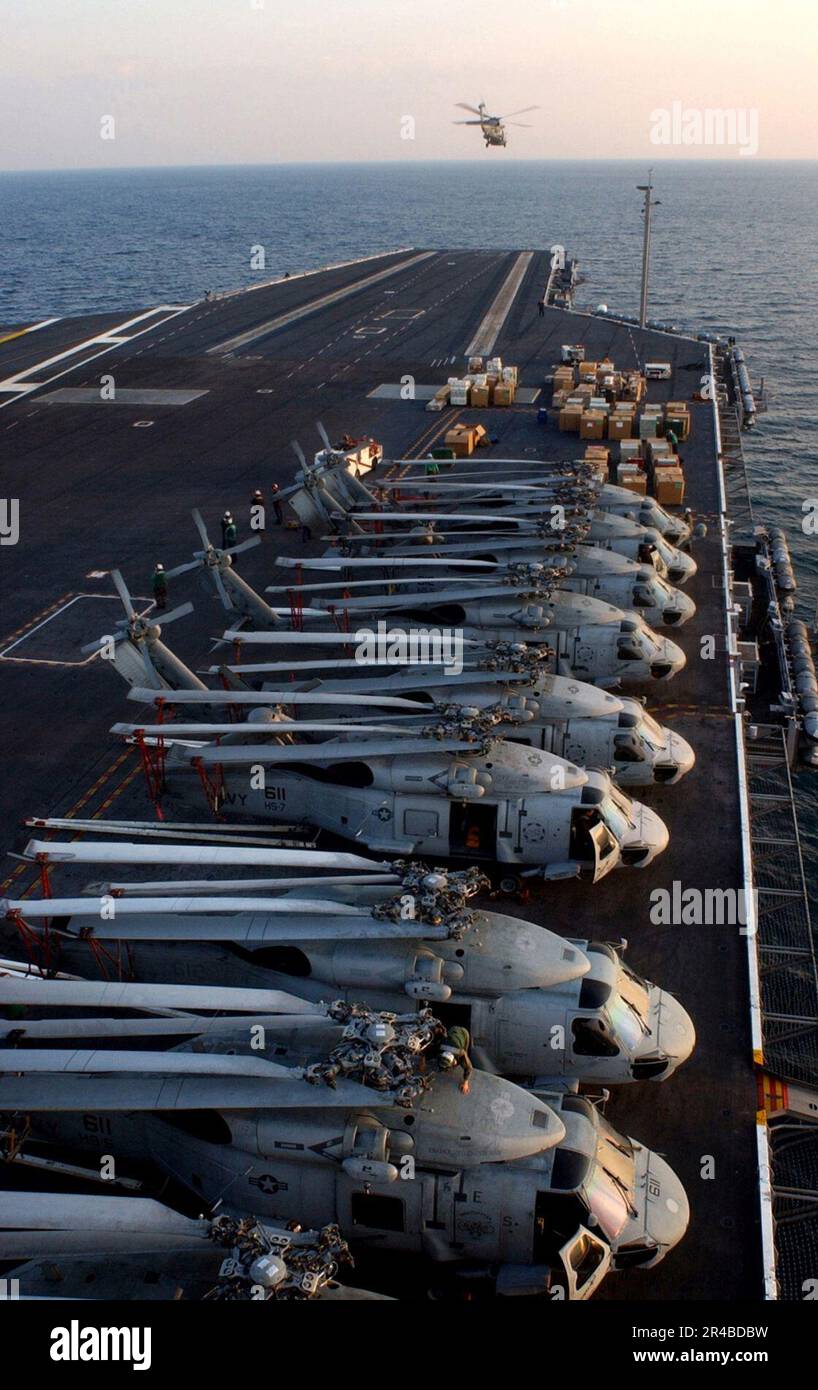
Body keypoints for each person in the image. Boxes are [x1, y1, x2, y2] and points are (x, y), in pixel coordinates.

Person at [438, 1025, 474, 1094]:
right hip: (452, 1029)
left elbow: (469, 1068)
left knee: (465, 1056)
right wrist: (422, 1061)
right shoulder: (440, 1047)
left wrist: (465, 1082)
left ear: (454, 1062)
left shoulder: (460, 1053)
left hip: (463, 1033)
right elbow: (428, 1050)